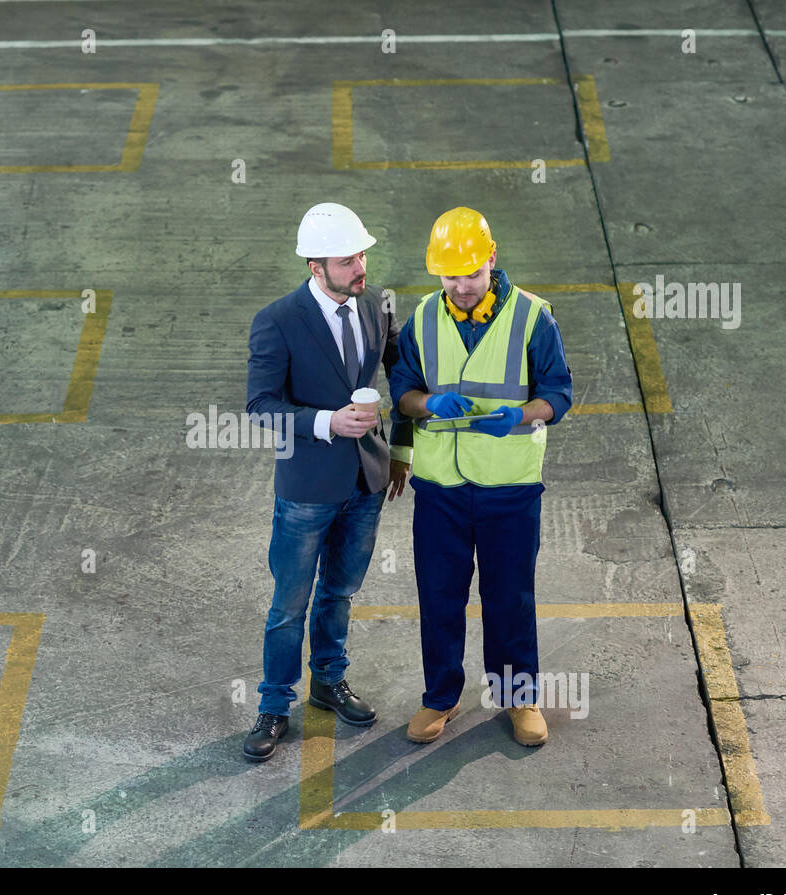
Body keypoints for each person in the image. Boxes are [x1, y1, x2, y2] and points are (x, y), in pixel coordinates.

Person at [388, 207, 573, 747]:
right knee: (439, 597)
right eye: (451, 276)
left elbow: (558, 394)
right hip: (441, 489)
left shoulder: (534, 318)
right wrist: (427, 403)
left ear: (492, 259)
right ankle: (440, 697)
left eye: (471, 273)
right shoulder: (423, 318)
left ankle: (519, 700)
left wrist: (521, 414)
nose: (462, 286)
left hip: (509, 489)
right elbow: (402, 392)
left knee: (509, 597)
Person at [242, 202, 412, 762]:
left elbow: (404, 374)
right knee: (290, 604)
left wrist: (400, 452)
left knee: (340, 592)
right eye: (348, 260)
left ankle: (328, 681)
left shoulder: (377, 303)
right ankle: (273, 705)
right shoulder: (278, 321)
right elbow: (260, 405)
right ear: (316, 268)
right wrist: (326, 422)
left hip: (366, 481)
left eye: (362, 255)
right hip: (306, 489)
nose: (361, 267)